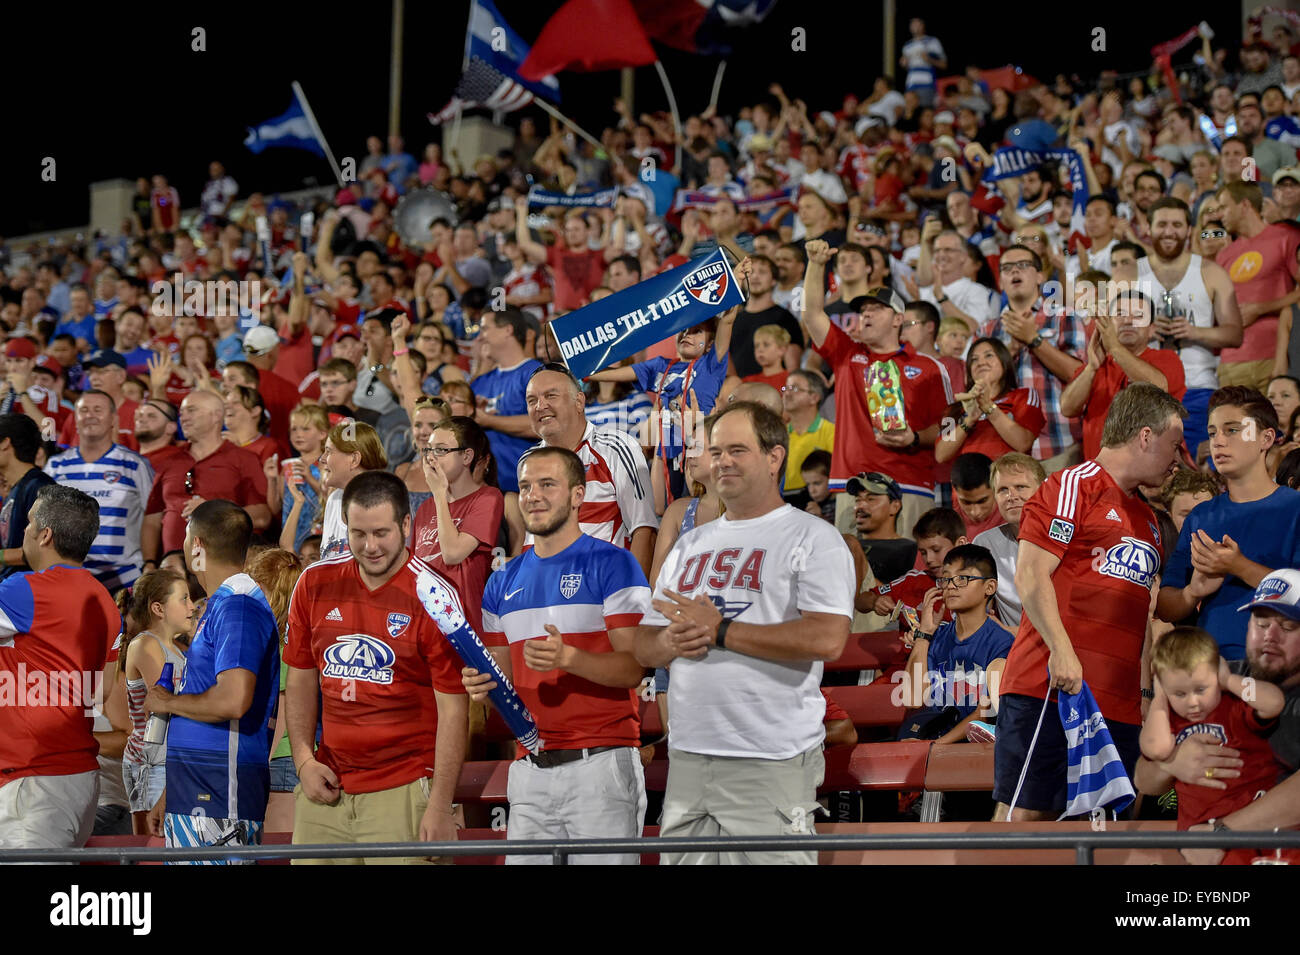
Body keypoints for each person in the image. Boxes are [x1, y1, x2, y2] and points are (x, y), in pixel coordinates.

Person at [634, 401, 855, 865]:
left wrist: (722, 631)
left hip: (768, 757)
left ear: (775, 457)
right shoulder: (689, 544)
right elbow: (644, 640)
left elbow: (827, 638)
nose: (722, 462)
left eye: (738, 450)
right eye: (715, 451)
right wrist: (668, 643)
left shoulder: (813, 537)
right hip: (690, 753)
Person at [994, 383, 1186, 821]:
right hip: (1053, 687)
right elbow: (1030, 573)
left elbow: (1143, 615)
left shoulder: (1149, 521)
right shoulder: (1072, 485)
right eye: (1174, 444)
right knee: (1025, 820)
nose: (1178, 458)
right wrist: (1062, 652)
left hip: (1117, 702)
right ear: (1144, 436)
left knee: (1101, 833)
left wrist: (1140, 693)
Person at [466, 447, 652, 864]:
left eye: (548, 484)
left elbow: (634, 667)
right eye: (527, 485)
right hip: (529, 769)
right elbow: (505, 682)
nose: (533, 495)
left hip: (601, 764)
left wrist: (569, 658)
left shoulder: (616, 563)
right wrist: (483, 686)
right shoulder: (501, 582)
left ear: (577, 495)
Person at [284, 471, 469, 864]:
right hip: (327, 786)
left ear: (406, 524)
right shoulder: (313, 582)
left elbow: (455, 711)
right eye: (359, 533)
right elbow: (299, 680)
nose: (370, 546)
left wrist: (440, 805)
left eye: (381, 533)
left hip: (404, 790)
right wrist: (303, 761)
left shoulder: (434, 596)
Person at [1135, 569, 1300, 865]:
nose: (1270, 637)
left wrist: (1222, 832)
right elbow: (1144, 779)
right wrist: (1174, 764)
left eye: (1287, 627)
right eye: (1260, 623)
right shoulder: (1216, 681)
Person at [144, 501, 279, 861]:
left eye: (187, 537)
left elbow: (233, 700)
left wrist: (167, 702)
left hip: (220, 790)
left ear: (197, 546)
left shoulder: (239, 605)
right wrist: (172, 790)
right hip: (197, 788)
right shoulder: (220, 604)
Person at [804, 240, 952, 538]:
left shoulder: (929, 367)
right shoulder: (847, 354)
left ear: (899, 319)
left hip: (909, 485)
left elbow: (949, 429)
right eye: (863, 310)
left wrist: (914, 439)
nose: (866, 315)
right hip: (853, 485)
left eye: (876, 309)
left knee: (911, 576)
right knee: (854, 578)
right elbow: (811, 313)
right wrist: (816, 265)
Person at [0, 486, 120, 849]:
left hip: (34, 783)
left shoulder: (24, 590)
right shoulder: (106, 601)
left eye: (29, 521)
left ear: (45, 534)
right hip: (77, 778)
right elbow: (101, 691)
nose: (24, 530)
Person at [1157, 387, 1300, 659]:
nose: (1218, 441)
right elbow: (1165, 607)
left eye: (1232, 430)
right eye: (1212, 433)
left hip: (1281, 672)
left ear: (1266, 438)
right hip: (1212, 673)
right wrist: (1191, 593)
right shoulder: (1201, 516)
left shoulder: (1295, 509)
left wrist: (1239, 566)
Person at [526, 364, 658, 575]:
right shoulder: (527, 461)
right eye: (532, 400)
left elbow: (644, 530)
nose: (540, 406)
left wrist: (632, 599)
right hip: (544, 590)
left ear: (579, 401)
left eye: (551, 396)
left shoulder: (617, 447)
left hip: (602, 590)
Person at [1141, 197, 1244, 456]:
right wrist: (1147, 331)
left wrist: (1195, 332)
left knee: (1197, 467)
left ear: (1189, 230)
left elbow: (1235, 333)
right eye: (1162, 224)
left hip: (1197, 387)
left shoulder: (1212, 272)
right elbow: (1111, 334)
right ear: (1148, 227)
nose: (1169, 231)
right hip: (1143, 388)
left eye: (1176, 224)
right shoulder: (1129, 273)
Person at [981, 244, 1086, 469]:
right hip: (1003, 453)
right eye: (1007, 268)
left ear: (1040, 276)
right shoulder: (987, 331)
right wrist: (1009, 351)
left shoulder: (1064, 317)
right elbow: (978, 387)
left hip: (1059, 446)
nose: (1014, 271)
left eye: (1023, 265)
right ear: (1000, 281)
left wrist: (1033, 339)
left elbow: (1079, 375)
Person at [897, 544, 1013, 744]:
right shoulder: (936, 637)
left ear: (990, 587)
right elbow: (912, 699)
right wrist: (923, 636)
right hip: (934, 735)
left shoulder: (1001, 642)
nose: (950, 586)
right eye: (947, 578)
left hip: (977, 743)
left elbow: (984, 714)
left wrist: (934, 747)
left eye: (963, 578)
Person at [44, 390, 154, 592]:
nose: (90, 415)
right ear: (75, 419)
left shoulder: (134, 464)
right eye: (83, 410)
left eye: (98, 410)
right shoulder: (55, 466)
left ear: (113, 419)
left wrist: (150, 562)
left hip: (124, 578)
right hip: (67, 577)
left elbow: (153, 516)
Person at [1060, 289, 1188, 460]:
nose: (1128, 321)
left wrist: (1114, 347)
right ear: (1109, 324)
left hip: (1152, 474)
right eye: (1120, 314)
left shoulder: (1167, 359)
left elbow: (1158, 388)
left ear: (1152, 330)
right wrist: (1091, 367)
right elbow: (1067, 407)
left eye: (1138, 315)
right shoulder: (1097, 366)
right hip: (1100, 476)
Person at [142, 390, 270, 559]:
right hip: (174, 568)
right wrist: (149, 562)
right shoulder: (168, 462)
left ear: (217, 416)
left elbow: (263, 516)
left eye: (192, 410)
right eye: (181, 413)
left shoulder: (244, 459)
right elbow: (152, 518)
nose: (183, 417)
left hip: (222, 565)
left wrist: (213, 512)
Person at [411, 416, 504, 640]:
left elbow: (453, 554)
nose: (431, 457)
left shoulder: (488, 497)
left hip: (463, 626)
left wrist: (439, 496)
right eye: (429, 450)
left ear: (466, 456)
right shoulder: (425, 507)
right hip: (424, 627)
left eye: (442, 450)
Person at [119, 568, 190, 834]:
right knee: (153, 846)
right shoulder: (145, 645)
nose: (191, 607)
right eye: (183, 599)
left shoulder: (180, 649)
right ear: (159, 609)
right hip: (151, 761)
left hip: (172, 757)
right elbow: (165, 703)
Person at [1215, 180, 1300, 392]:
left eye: (1224, 207)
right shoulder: (1224, 255)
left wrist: (1260, 308)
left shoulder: (1285, 238)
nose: (1219, 214)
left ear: (1244, 205)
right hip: (1231, 361)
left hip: (1273, 355)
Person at [245, 547, 306, 837]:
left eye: (257, 587)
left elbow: (285, 710)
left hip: (281, 760)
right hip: (289, 759)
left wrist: (264, 765)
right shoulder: (287, 639)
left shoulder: (284, 646)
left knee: (277, 854)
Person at [936, 337, 1045, 465]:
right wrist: (969, 419)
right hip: (967, 483)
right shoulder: (953, 409)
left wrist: (988, 407)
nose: (981, 363)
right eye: (974, 359)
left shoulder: (1023, 395)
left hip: (1006, 481)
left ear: (1004, 362)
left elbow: (1023, 443)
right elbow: (941, 454)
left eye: (988, 355)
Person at [471, 308, 541, 496]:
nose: (480, 336)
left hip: (527, 489)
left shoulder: (536, 373)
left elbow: (544, 424)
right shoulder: (481, 382)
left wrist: (490, 421)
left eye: (485, 329)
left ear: (507, 330)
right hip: (486, 492)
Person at [973, 453, 1046, 629]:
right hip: (1012, 650)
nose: (1011, 496)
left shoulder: (1068, 537)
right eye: (1002, 490)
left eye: (1020, 487)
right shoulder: (985, 544)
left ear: (1044, 490)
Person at [866, 506, 967, 624]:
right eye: (923, 552)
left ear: (960, 544)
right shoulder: (912, 581)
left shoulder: (978, 585)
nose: (929, 559)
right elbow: (862, 599)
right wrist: (875, 602)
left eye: (936, 550)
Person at [317, 421, 388, 560]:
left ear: (354, 459)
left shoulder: (388, 502)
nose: (322, 459)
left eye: (329, 452)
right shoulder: (334, 499)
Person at [0, 413, 56, 579]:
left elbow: (46, 548)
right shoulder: (18, 487)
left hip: (28, 594)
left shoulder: (39, 487)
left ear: (5, 443)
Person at [272, 404, 330, 553]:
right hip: (292, 535)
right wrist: (271, 479)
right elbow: (276, 507)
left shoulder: (326, 463)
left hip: (318, 536)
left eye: (305, 429)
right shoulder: (288, 466)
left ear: (322, 434)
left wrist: (309, 477)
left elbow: (331, 498)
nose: (298, 434)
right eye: (294, 429)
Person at [848, 471, 918, 587]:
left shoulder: (910, 550)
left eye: (871, 499)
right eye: (858, 500)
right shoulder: (846, 546)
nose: (860, 506)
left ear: (894, 506)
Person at [782, 370, 834, 501]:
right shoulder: (778, 435)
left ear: (814, 397)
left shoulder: (831, 432)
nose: (787, 393)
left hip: (816, 503)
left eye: (794, 388)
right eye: (786, 388)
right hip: (781, 502)